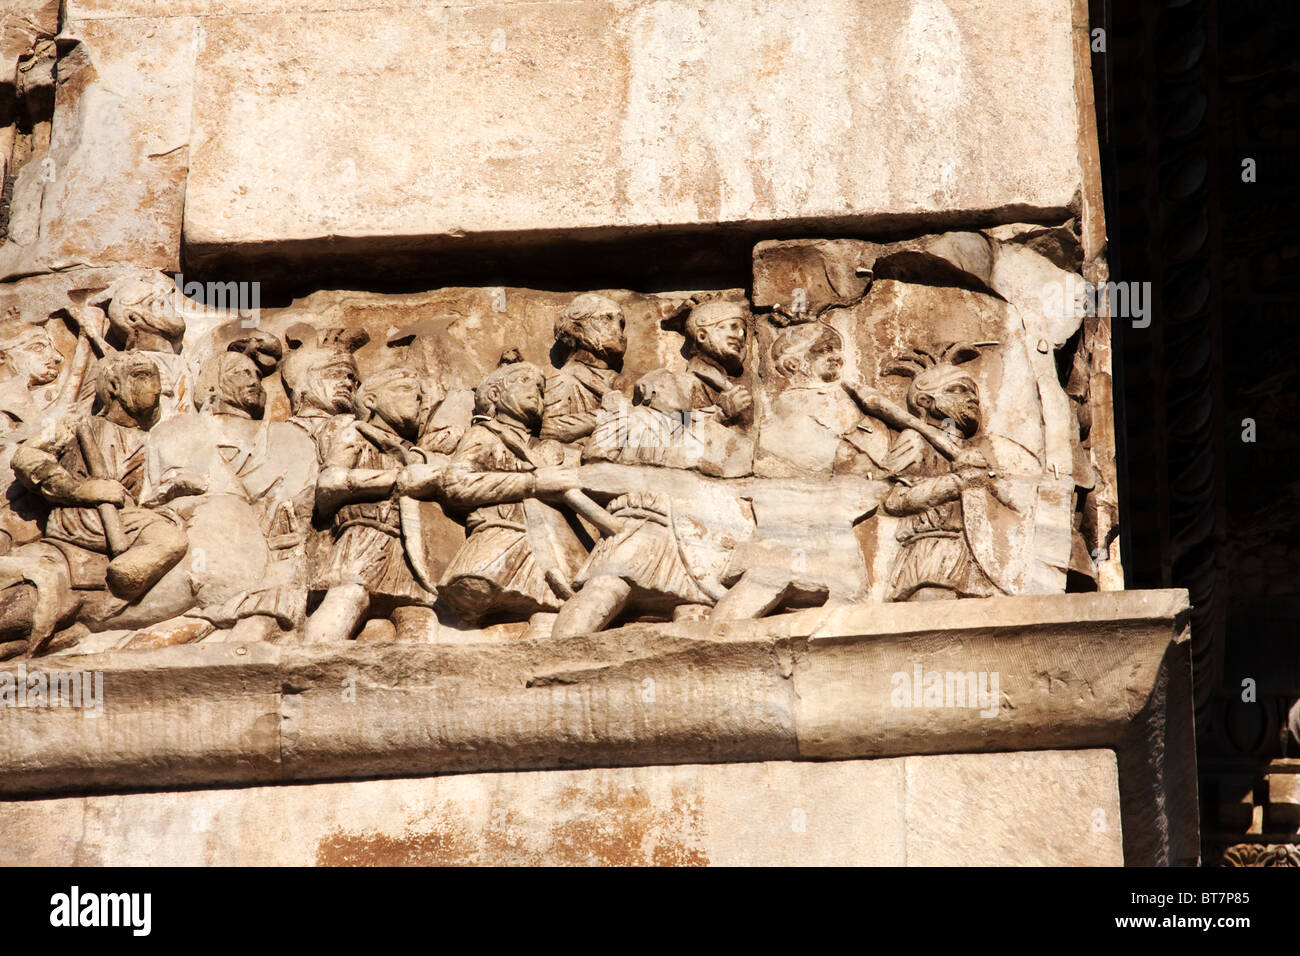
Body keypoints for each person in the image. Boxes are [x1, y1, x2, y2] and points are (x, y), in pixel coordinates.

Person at [433, 359, 588, 628]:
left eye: (541, 389)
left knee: (548, 618)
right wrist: (533, 483)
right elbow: (456, 484)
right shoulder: (483, 435)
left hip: (547, 548)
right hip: (500, 540)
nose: (536, 392)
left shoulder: (547, 447)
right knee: (478, 605)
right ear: (495, 394)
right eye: (523, 381)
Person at [307, 367, 445, 642]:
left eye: (419, 396)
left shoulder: (416, 454)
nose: (415, 400)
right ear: (371, 401)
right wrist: (398, 478)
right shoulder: (356, 434)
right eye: (404, 390)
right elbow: (330, 483)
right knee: (350, 595)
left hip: (407, 544)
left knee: (419, 614)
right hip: (365, 533)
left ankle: (415, 681)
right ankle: (308, 661)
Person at [540, 293, 626, 446]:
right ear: (576, 329)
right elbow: (550, 428)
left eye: (621, 324)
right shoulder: (563, 379)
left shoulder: (627, 381)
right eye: (606, 319)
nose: (619, 331)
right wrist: (606, 415)